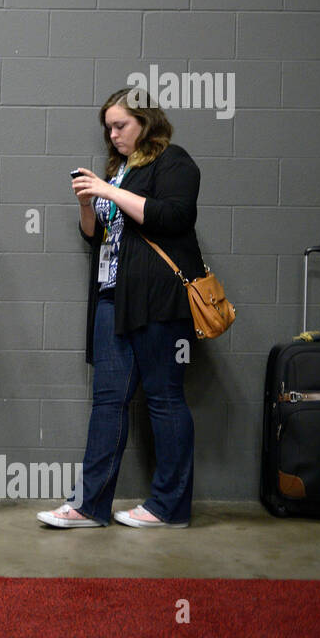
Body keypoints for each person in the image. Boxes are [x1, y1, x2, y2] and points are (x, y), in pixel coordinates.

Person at [37, 87, 204, 530]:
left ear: (145, 123)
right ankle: (90, 506)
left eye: (120, 125)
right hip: (112, 298)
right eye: (107, 128)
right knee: (107, 403)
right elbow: (95, 238)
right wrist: (87, 203)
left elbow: (175, 216)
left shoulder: (174, 162)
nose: (112, 135)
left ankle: (170, 507)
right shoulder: (120, 170)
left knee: (164, 399)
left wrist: (109, 189)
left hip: (157, 300)